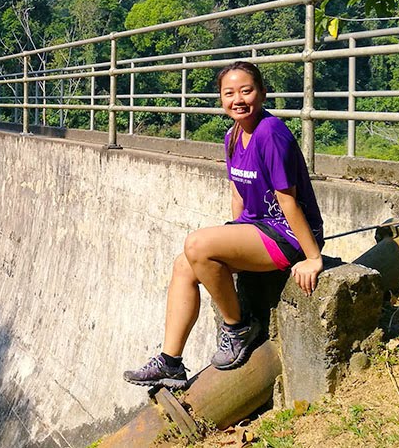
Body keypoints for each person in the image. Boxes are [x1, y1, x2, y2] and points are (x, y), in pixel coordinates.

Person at [123, 60, 324, 388]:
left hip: (288, 234)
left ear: (262, 93)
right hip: (258, 228)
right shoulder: (233, 136)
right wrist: (232, 237)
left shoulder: (270, 133)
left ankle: (239, 327)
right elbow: (238, 195)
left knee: (197, 244)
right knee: (184, 264)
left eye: (246, 91)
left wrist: (312, 256)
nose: (238, 100)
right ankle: (170, 362)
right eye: (229, 93)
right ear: (221, 99)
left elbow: (288, 200)